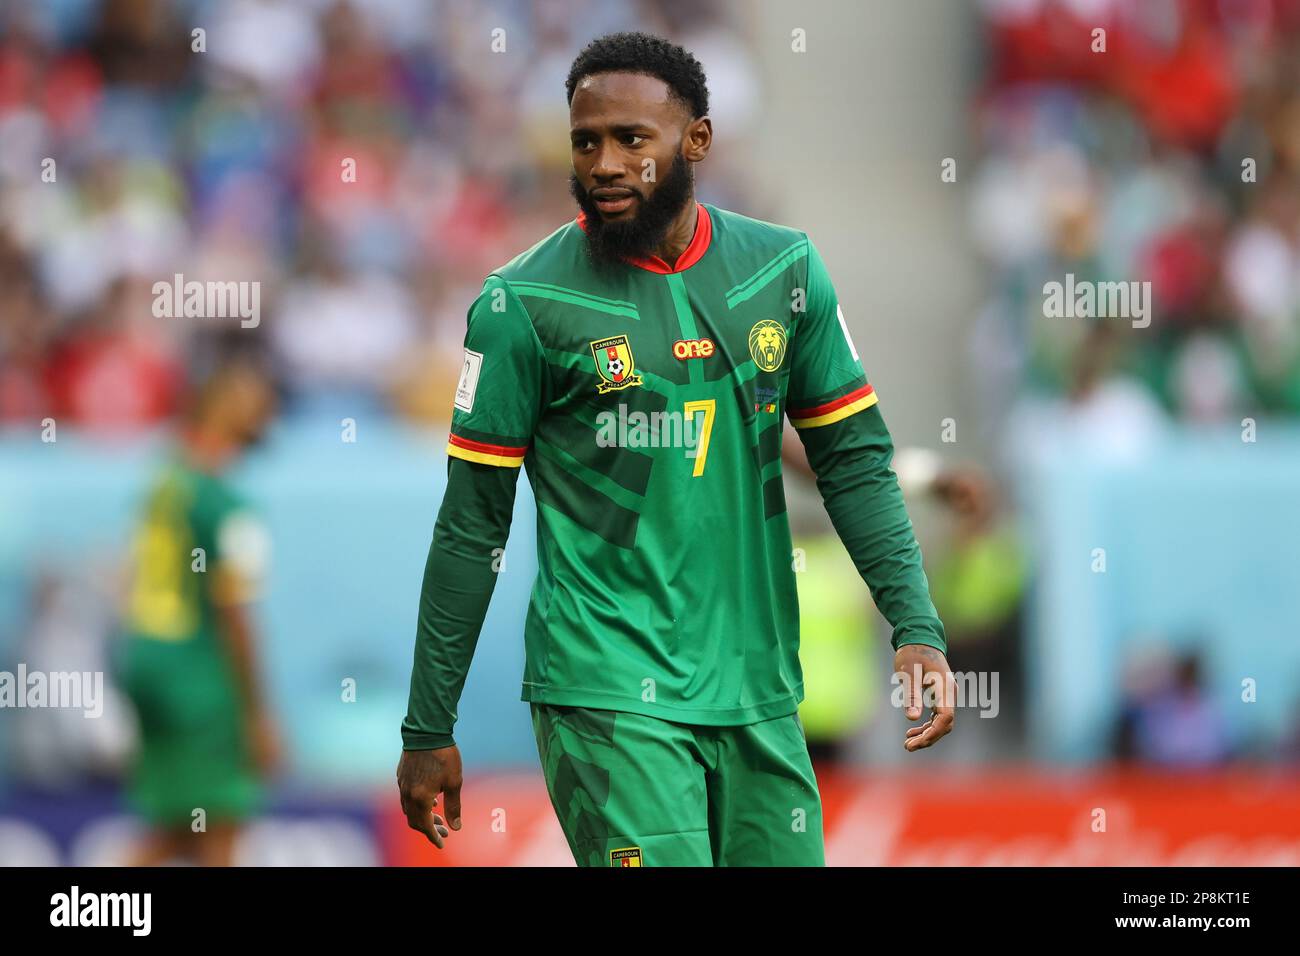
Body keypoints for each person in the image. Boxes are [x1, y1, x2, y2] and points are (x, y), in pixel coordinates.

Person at [398, 32, 954, 867]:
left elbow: (850, 459)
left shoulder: (783, 271)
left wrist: (915, 624)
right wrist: (427, 723)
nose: (605, 163)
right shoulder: (522, 305)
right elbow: (472, 523)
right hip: (609, 689)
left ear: (696, 141)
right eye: (587, 141)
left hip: (758, 693)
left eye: (632, 139)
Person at [117, 353, 280, 866]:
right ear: (227, 406)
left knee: (175, 827)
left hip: (145, 661)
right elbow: (235, 612)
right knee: (220, 825)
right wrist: (258, 715)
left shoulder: (167, 481)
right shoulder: (225, 505)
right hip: (197, 677)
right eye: (256, 400)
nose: (268, 409)